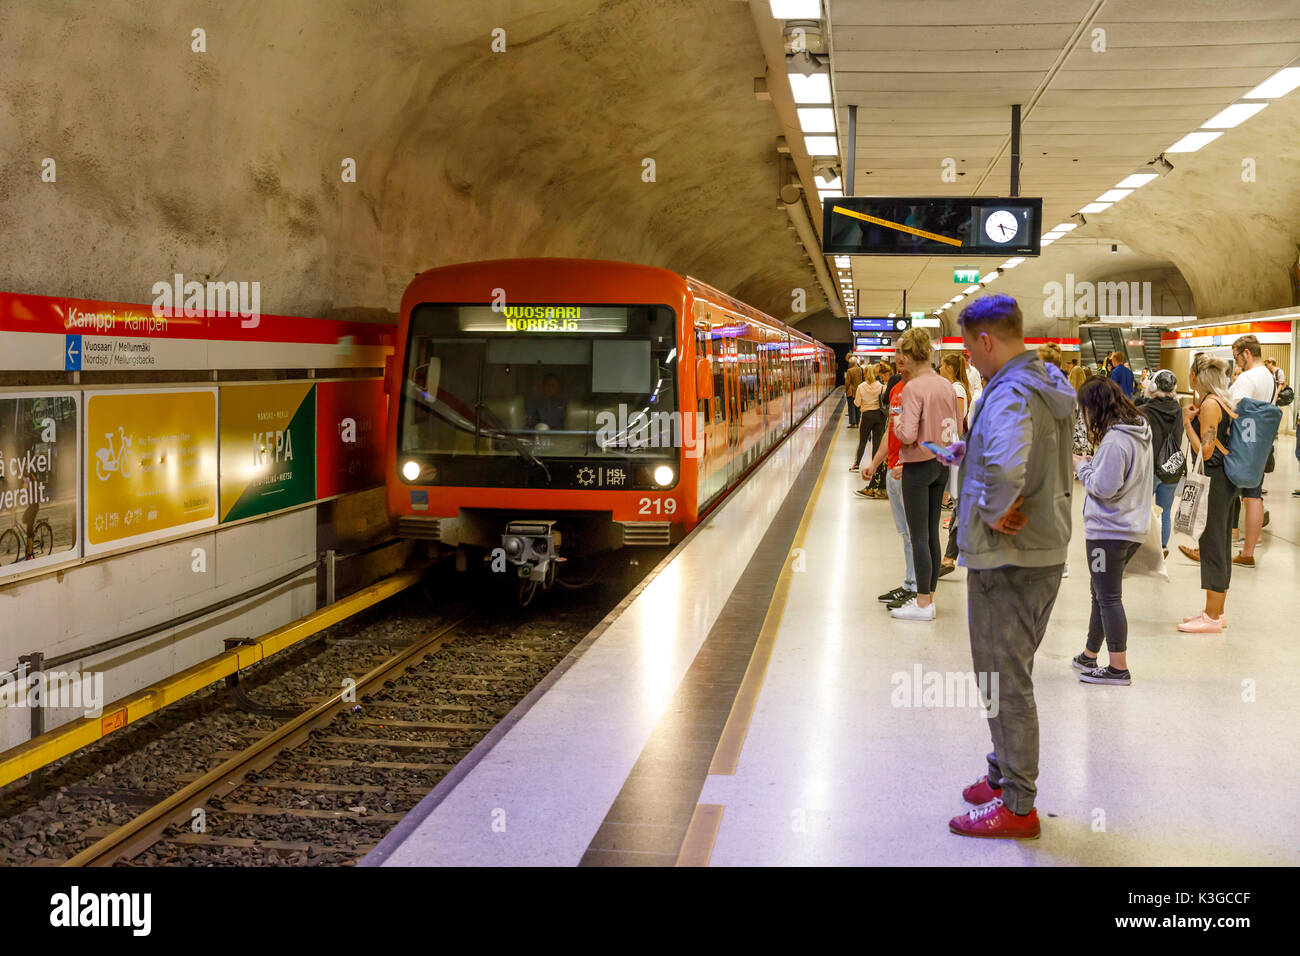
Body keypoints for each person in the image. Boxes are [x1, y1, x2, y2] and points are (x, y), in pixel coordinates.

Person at [945, 294, 1075, 840]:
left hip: (1010, 559)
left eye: (970, 348)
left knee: (1004, 679)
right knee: (1009, 671)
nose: (969, 359)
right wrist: (967, 454)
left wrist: (995, 511)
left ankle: (1018, 806)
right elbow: (1006, 454)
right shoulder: (1045, 380)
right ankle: (1003, 774)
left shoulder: (1010, 392)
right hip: (1044, 551)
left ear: (987, 340)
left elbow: (1006, 463)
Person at [1071, 377, 1153, 686]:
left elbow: (1103, 487)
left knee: (1108, 597)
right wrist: (1096, 463)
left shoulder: (1116, 441)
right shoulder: (1138, 431)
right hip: (1130, 526)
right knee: (1101, 594)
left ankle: (1118, 668)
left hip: (1108, 532)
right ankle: (1090, 654)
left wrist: (1081, 467)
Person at [888, 327, 958, 621]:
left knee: (917, 535)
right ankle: (929, 598)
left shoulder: (913, 389)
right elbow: (957, 427)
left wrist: (896, 422)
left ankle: (921, 604)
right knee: (931, 532)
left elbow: (908, 434)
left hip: (917, 466)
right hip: (941, 463)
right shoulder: (945, 385)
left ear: (908, 355)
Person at [1175, 354, 1239, 633]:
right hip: (1226, 479)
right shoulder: (1221, 401)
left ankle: (1212, 616)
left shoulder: (1211, 405)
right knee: (1221, 542)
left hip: (1215, 479)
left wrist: (1187, 423)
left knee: (1212, 544)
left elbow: (1207, 449)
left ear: (1195, 377)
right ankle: (1216, 611)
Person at [861, 365, 917, 608]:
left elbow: (931, 434)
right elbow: (890, 432)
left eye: (904, 357)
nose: (900, 362)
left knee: (916, 534)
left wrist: (909, 461)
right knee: (905, 533)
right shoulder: (896, 390)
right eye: (898, 358)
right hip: (893, 471)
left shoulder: (922, 391)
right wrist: (874, 463)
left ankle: (917, 588)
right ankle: (909, 583)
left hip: (910, 472)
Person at [1226, 334, 1276, 568]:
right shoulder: (1269, 376)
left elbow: (1230, 409)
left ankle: (1220, 546)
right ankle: (1247, 553)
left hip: (1240, 445)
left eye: (1237, 356)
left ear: (1246, 352)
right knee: (1253, 496)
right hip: (1259, 445)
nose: (1236, 362)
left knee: (1225, 495)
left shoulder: (1247, 378)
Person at [1141, 369, 1183, 555]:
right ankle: (1163, 547)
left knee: (1142, 509)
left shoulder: (1143, 411)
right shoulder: (1179, 411)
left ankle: (1141, 545)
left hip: (1148, 468)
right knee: (1165, 511)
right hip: (1171, 468)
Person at [937, 352, 971, 577]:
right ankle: (949, 556)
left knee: (961, 506)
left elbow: (956, 422)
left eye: (942, 365)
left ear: (950, 367)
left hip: (956, 451)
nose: (939, 368)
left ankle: (950, 557)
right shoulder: (956, 387)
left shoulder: (957, 389)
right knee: (960, 506)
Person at [852, 363, 886, 471]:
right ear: (876, 374)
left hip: (866, 415)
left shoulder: (861, 387)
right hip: (879, 416)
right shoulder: (881, 387)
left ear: (865, 374)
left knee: (862, 440)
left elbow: (857, 403)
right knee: (877, 442)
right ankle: (875, 466)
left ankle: (856, 464)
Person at [845, 356, 865, 428]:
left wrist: (846, 390)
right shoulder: (861, 369)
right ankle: (858, 422)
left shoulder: (849, 371)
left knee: (851, 407)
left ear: (851, 363)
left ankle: (852, 423)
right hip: (860, 390)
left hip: (851, 391)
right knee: (858, 407)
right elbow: (864, 380)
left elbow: (847, 382)